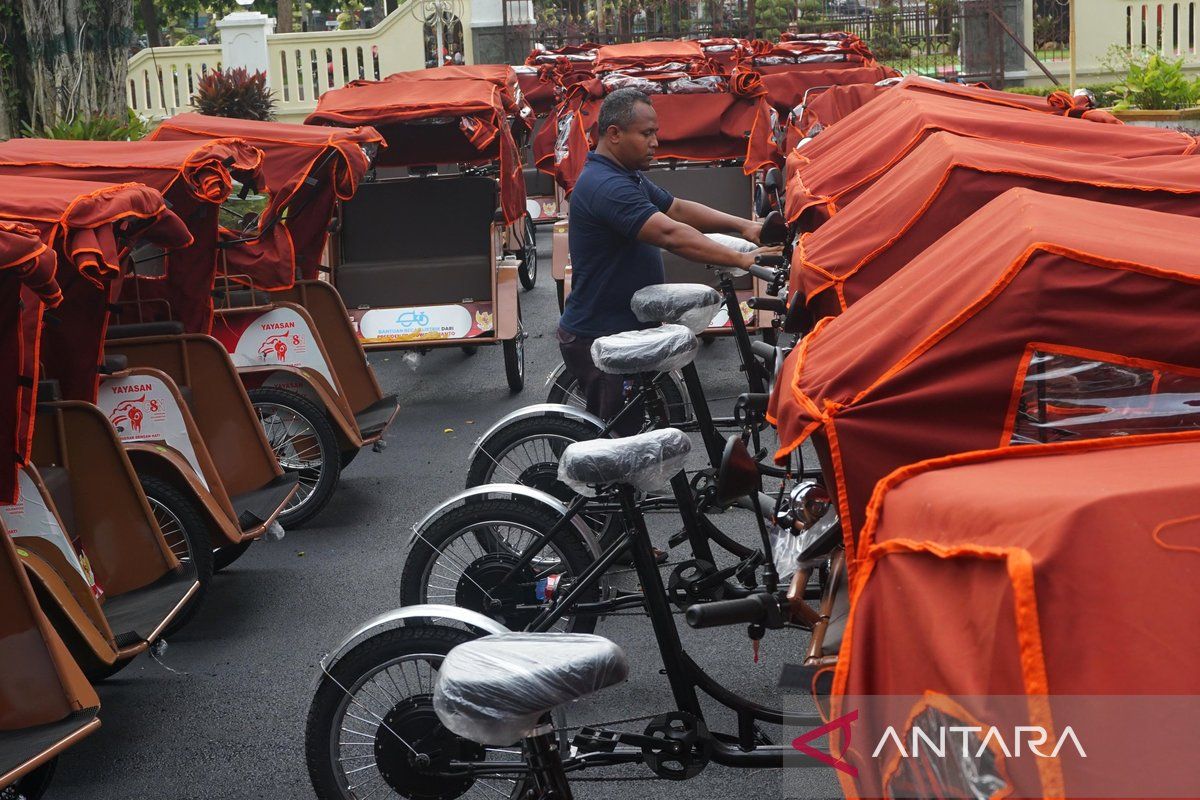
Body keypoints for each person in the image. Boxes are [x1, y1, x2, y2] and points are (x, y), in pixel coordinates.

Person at [558, 87, 779, 433]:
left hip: (626, 328)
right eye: (647, 134)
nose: (655, 142)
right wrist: (745, 260)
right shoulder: (606, 186)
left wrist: (746, 227)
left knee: (643, 437)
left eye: (655, 133)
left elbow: (675, 208)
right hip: (602, 335)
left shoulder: (624, 176)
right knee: (618, 448)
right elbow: (670, 234)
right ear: (614, 134)